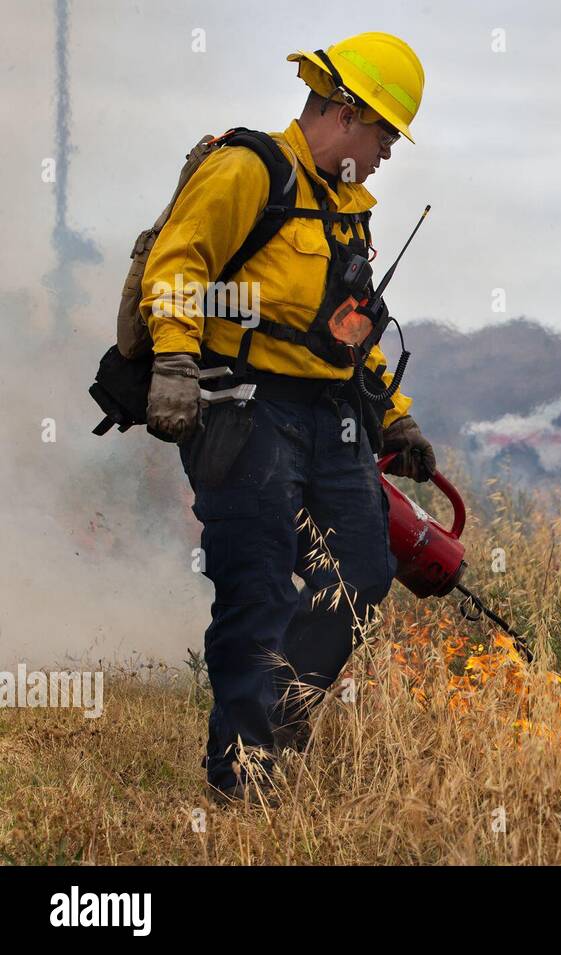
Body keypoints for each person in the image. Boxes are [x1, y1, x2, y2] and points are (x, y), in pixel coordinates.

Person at [141, 33, 437, 802]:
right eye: (383, 136)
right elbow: (180, 265)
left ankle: (276, 715)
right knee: (261, 585)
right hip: (243, 407)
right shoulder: (248, 169)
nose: (386, 155)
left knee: (363, 573)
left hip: (331, 414)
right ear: (345, 113)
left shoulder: (349, 211)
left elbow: (349, 325)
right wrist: (173, 363)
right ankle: (243, 776)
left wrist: (394, 418)